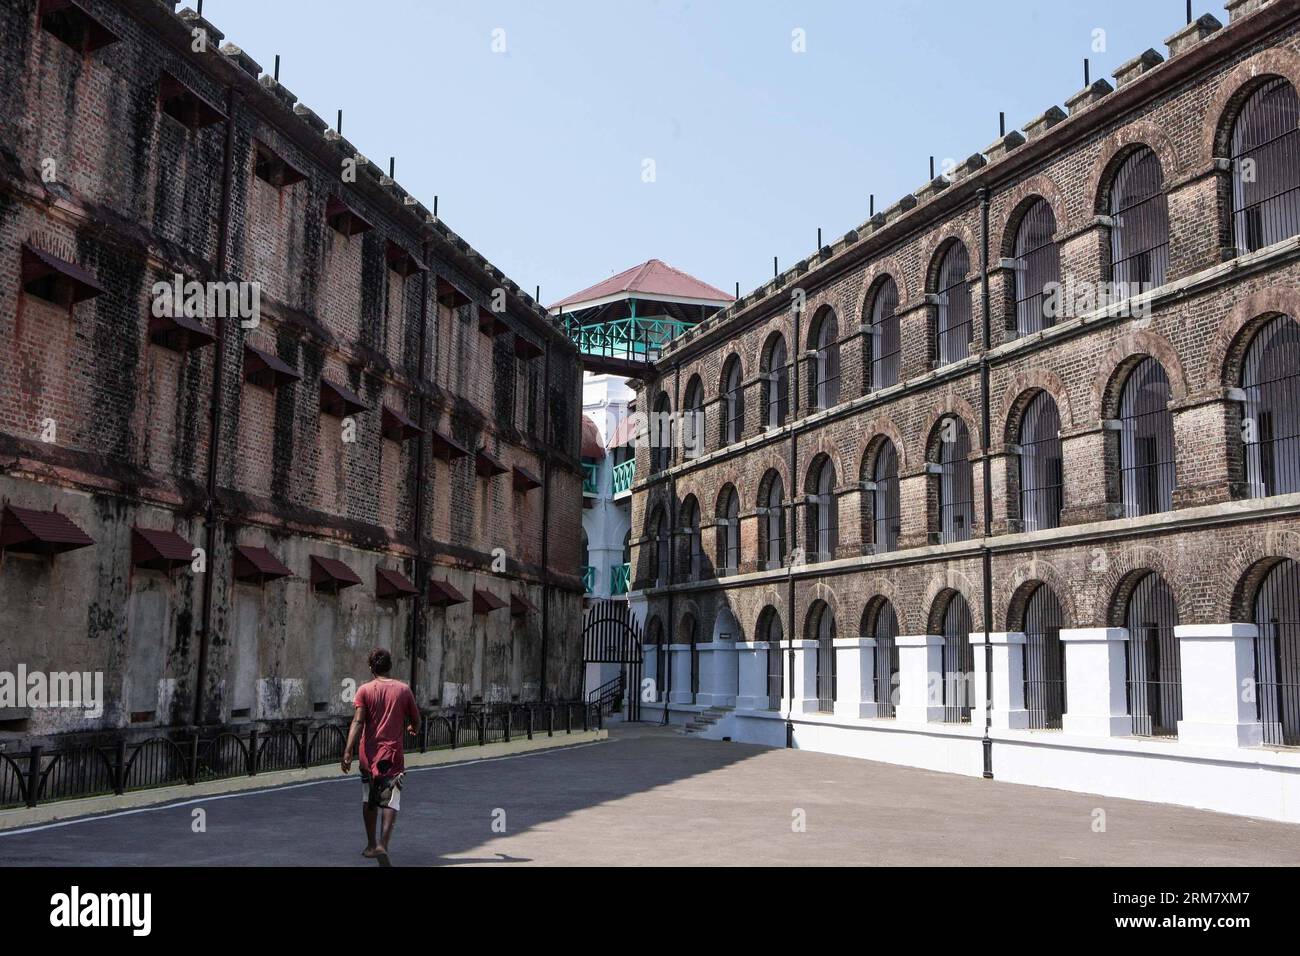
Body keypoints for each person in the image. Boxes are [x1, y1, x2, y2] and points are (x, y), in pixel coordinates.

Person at [341, 648, 420, 864]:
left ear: (371, 668)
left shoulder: (364, 690)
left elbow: (358, 722)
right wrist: (414, 727)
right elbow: (416, 718)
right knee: (391, 800)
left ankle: (370, 844)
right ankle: (382, 845)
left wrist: (348, 751)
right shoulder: (403, 690)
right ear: (390, 666)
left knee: (369, 798)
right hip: (392, 756)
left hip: (368, 755)